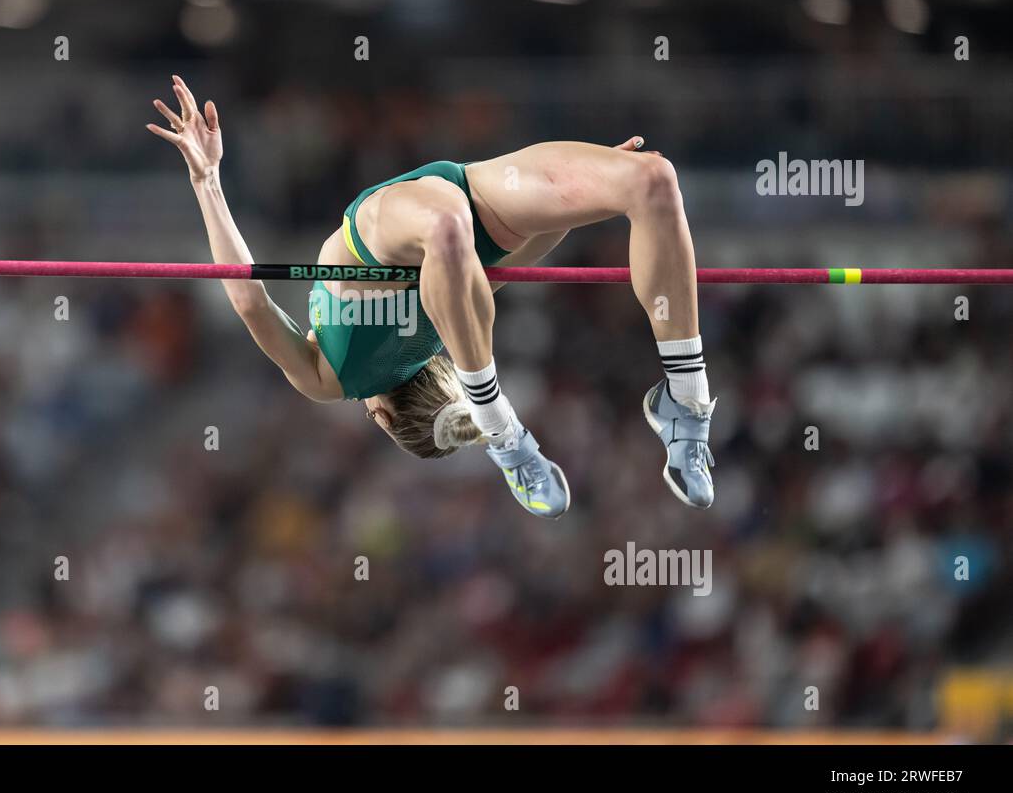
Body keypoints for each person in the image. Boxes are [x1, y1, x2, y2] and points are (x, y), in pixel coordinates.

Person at [149, 76, 716, 518]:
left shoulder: (337, 376)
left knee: (453, 230)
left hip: (424, 225)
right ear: (381, 419)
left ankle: (505, 431)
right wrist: (590, 195)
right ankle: (685, 403)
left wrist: (208, 180)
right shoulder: (417, 338)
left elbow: (252, 304)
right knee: (649, 180)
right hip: (467, 202)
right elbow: (248, 299)